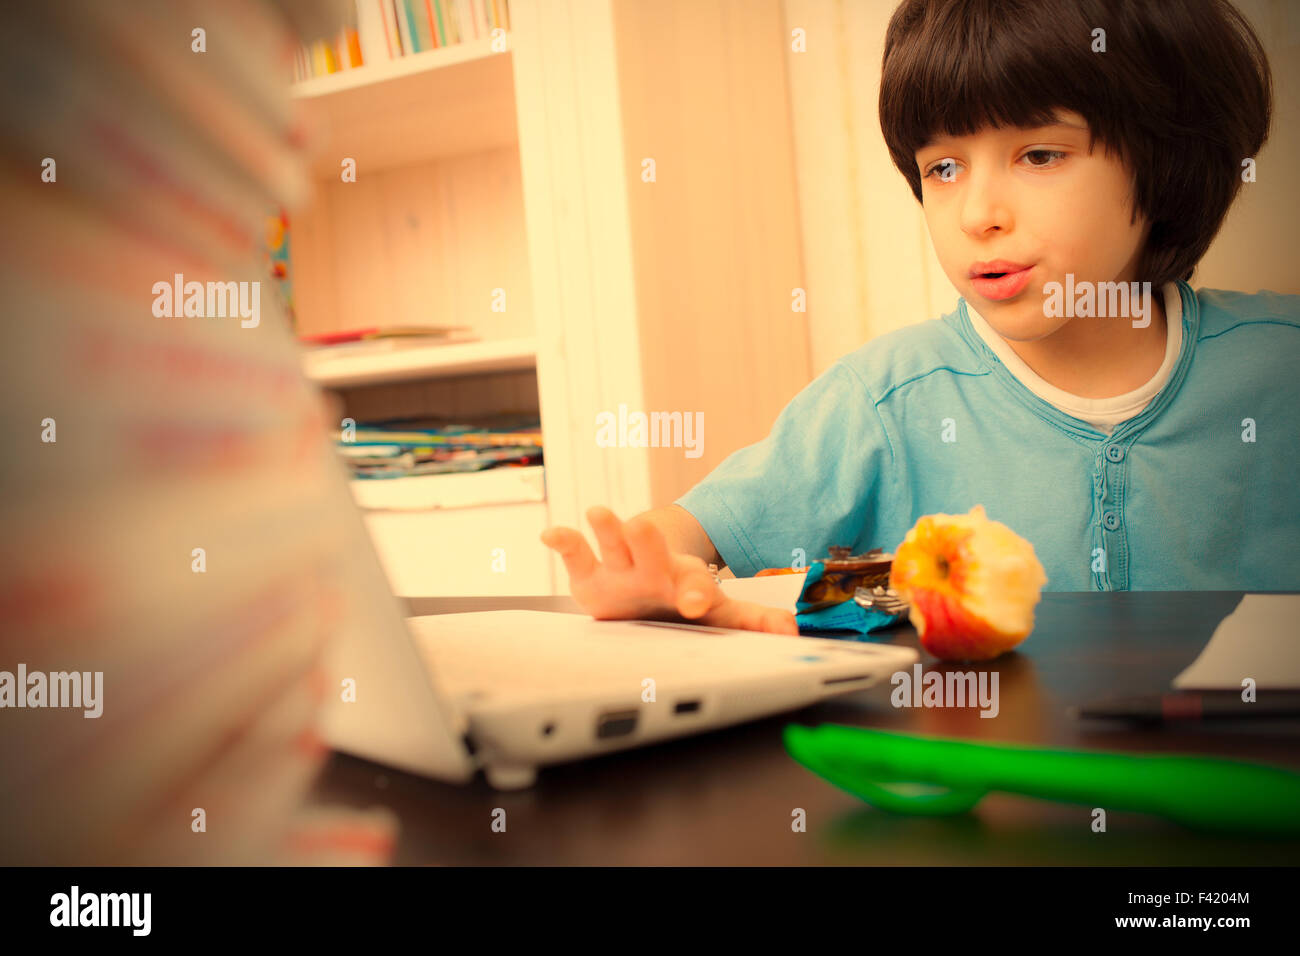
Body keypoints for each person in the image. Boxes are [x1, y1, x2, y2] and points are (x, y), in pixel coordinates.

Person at [541, 0, 1297, 633]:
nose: (977, 214)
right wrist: (655, 572)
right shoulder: (884, 399)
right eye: (943, 167)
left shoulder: (1279, 368)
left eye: (1039, 155)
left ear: (1165, 163)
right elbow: (698, 534)